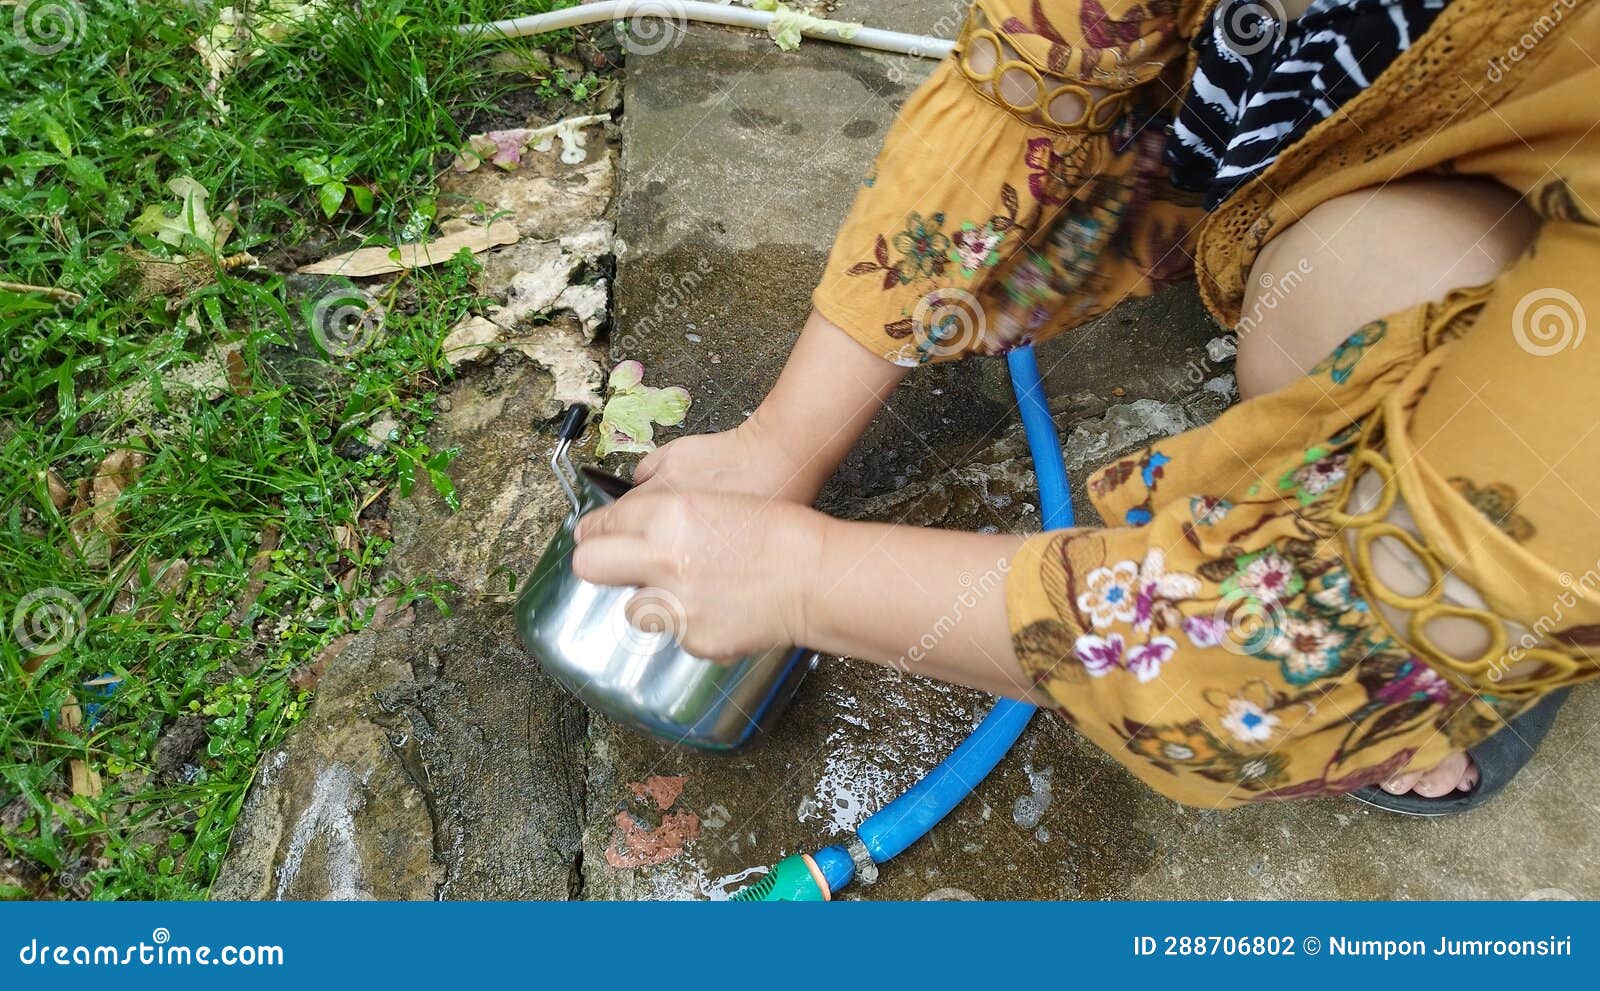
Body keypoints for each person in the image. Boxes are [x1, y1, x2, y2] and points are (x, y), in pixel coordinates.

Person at [572, 0, 1600, 813]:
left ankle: (1501, 632)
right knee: (1328, 271)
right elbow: (1031, 79)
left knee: (1376, 322)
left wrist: (804, 579)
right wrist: (779, 444)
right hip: (1405, 145)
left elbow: (1299, 641)